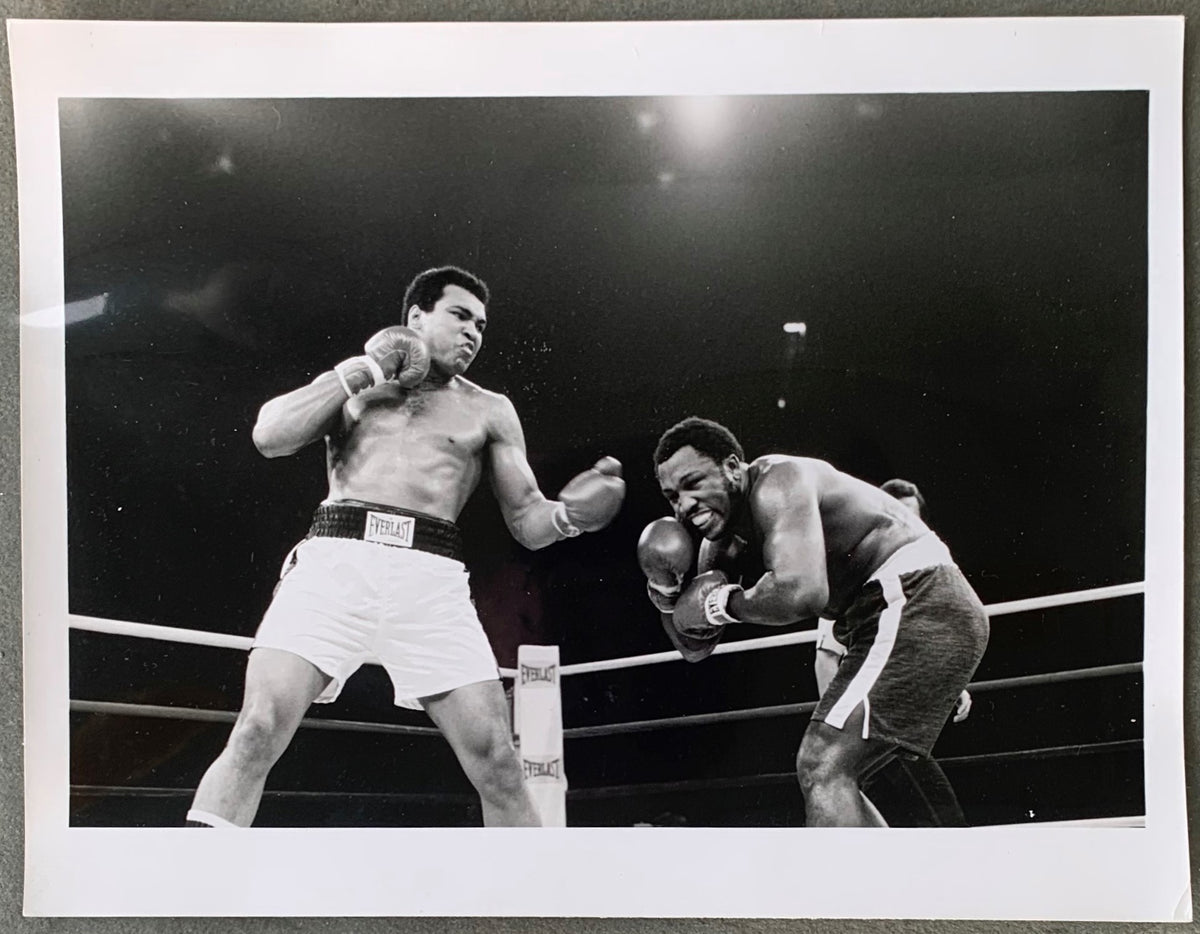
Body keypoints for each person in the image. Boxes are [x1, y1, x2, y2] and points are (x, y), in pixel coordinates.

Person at [186, 265, 625, 828]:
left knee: (498, 762)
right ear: (416, 317)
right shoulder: (356, 387)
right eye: (460, 315)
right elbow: (269, 435)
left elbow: (527, 519)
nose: (473, 333)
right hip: (335, 564)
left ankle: (527, 906)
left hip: (431, 581)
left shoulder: (489, 409)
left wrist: (571, 518)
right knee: (256, 729)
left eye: (482, 326)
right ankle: (195, 889)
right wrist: (362, 370)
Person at [637, 417, 988, 828]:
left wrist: (721, 603)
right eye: (671, 496)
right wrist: (664, 590)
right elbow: (694, 646)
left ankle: (847, 892)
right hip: (884, 617)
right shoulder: (720, 545)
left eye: (693, 482)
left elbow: (803, 592)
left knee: (823, 764)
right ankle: (890, 885)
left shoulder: (778, 481)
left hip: (915, 593)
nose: (683, 505)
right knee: (840, 771)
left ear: (733, 466)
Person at [813, 478, 972, 827]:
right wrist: (838, 733)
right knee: (942, 824)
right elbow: (826, 659)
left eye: (913, 518)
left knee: (910, 830)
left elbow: (904, 648)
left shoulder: (915, 579)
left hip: (901, 727)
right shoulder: (857, 578)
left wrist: (946, 682)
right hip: (872, 729)